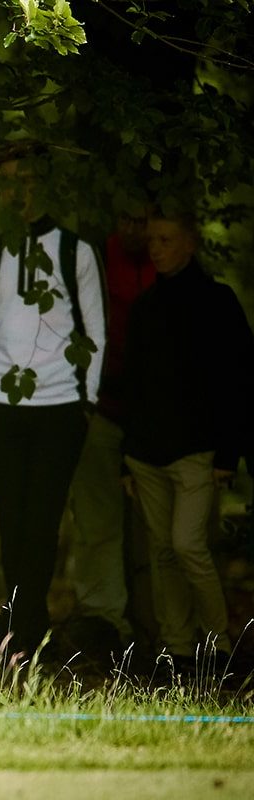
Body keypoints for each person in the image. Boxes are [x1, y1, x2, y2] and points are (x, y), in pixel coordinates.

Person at [0, 160, 107, 659]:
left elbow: (95, 329)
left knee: (41, 521)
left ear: (46, 183)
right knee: (12, 521)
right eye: (6, 180)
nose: (16, 190)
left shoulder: (74, 251)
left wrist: (86, 400)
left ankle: (19, 630)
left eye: (27, 178)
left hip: (60, 405)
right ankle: (27, 626)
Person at [122, 207, 254, 670]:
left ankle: (219, 646)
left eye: (166, 239)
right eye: (152, 240)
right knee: (162, 552)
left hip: (198, 452)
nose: (156, 248)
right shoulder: (145, 307)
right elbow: (131, 385)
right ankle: (176, 648)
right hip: (146, 455)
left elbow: (240, 380)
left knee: (187, 545)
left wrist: (230, 454)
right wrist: (126, 459)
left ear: (190, 243)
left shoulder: (218, 302)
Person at [66, 207, 157, 655]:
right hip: (100, 406)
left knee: (156, 528)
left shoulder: (168, 261)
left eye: (144, 220)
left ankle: (156, 626)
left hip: (158, 416)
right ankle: (103, 622)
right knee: (97, 521)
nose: (136, 229)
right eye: (127, 218)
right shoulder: (96, 259)